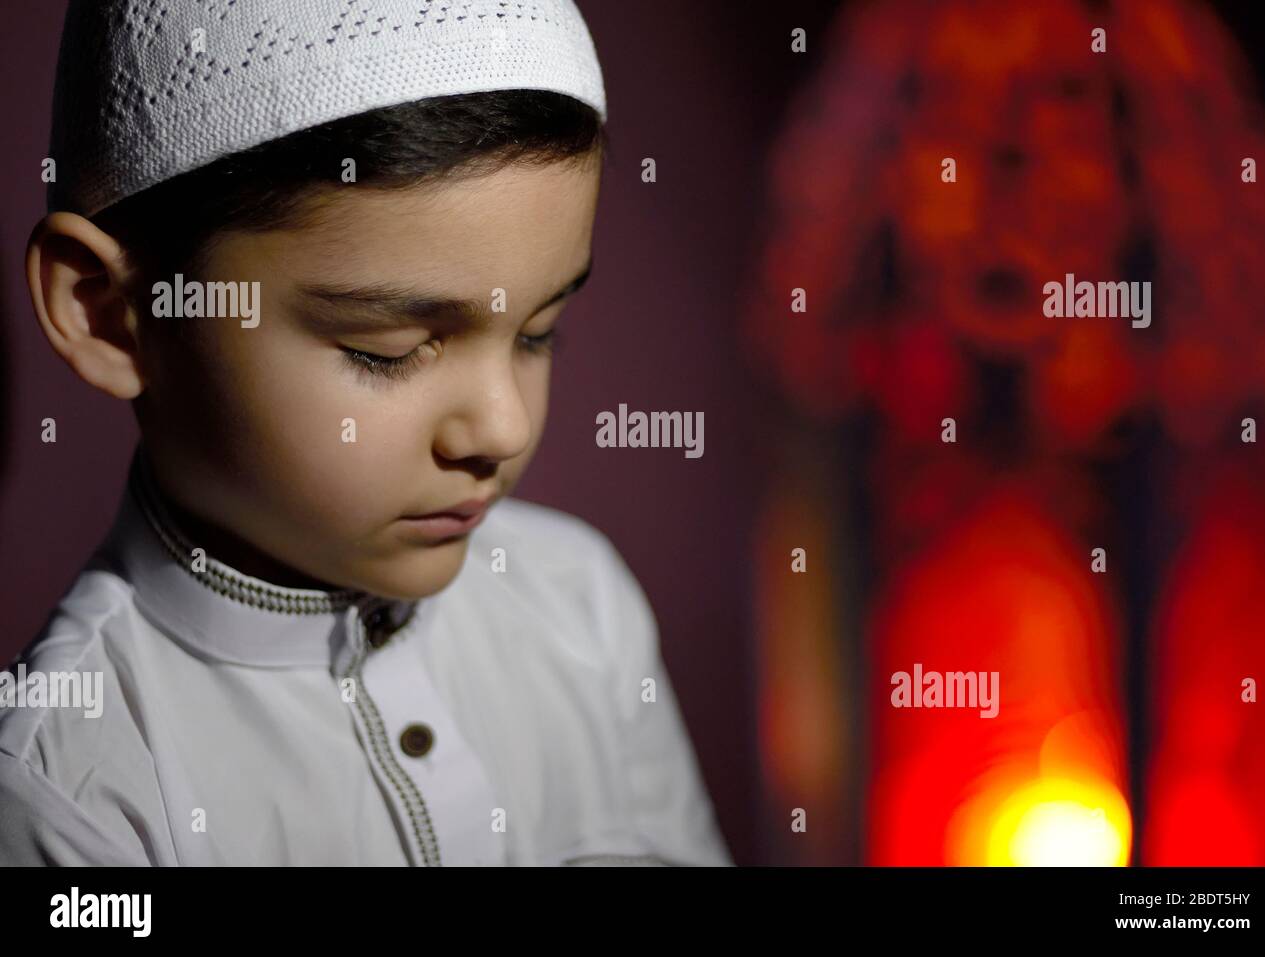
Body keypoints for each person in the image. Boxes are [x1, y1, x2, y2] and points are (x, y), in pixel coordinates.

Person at [0, 0, 732, 867]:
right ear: (111, 314)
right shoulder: (66, 790)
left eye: (538, 332)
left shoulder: (582, 603)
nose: (505, 425)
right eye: (386, 350)